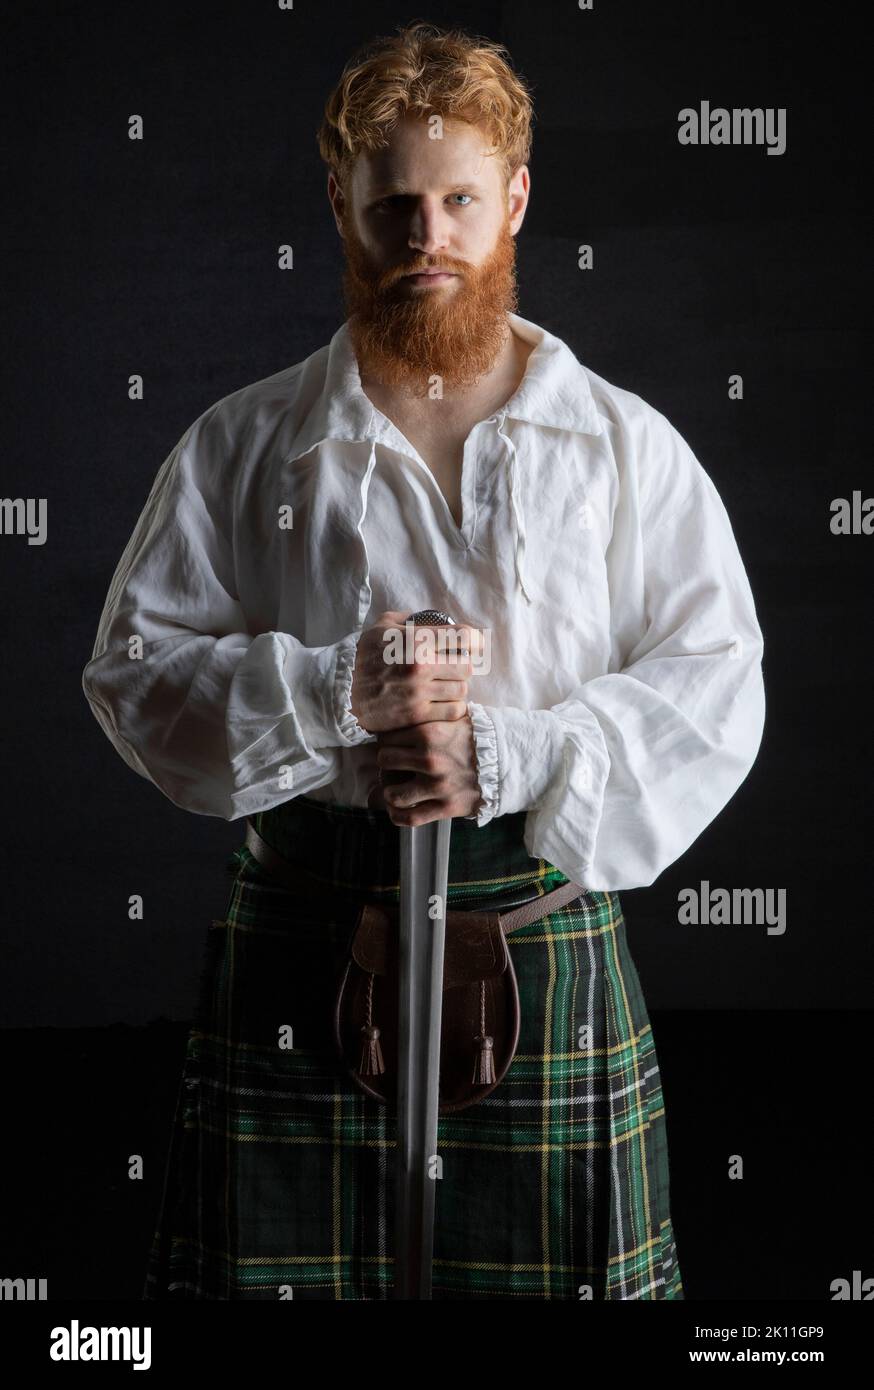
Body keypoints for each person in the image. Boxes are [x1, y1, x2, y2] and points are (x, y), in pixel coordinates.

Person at [82, 20, 765, 1300]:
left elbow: (716, 679)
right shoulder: (242, 446)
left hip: (539, 932)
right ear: (338, 206)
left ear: (514, 197)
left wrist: (516, 751)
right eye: (391, 203)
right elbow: (131, 670)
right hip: (302, 938)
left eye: (458, 199)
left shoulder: (625, 445)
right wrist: (337, 688)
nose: (425, 238)